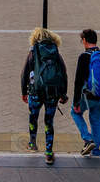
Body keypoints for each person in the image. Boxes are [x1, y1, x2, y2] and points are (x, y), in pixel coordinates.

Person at [20, 26, 68, 165]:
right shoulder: (56, 53)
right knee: (49, 122)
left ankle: (32, 143)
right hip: (52, 93)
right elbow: (63, 73)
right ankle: (48, 152)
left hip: (35, 91)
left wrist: (24, 92)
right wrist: (63, 93)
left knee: (33, 117)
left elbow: (24, 73)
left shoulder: (33, 52)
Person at [71, 28, 100, 158]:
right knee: (96, 120)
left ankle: (87, 139)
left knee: (75, 112)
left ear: (84, 40)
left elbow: (78, 82)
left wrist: (76, 102)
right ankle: (96, 151)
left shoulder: (84, 57)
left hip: (88, 95)